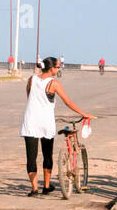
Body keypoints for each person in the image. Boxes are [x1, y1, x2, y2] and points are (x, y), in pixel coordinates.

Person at [20, 57, 95, 197]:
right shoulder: (54, 83)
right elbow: (68, 102)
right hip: (45, 122)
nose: (59, 69)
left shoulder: (32, 79)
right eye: (58, 67)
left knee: (31, 157)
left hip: (30, 121)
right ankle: (46, 186)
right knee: (47, 154)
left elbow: (29, 96)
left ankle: (34, 189)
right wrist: (84, 114)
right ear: (52, 68)